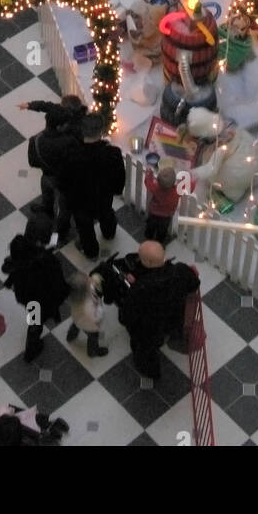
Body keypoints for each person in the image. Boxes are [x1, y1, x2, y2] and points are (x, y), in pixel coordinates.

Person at [118, 241, 199, 381]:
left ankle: (150, 372)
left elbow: (126, 317)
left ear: (147, 263)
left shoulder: (139, 290)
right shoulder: (180, 271)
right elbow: (194, 284)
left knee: (145, 352)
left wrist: (133, 285)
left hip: (149, 330)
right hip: (173, 320)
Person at [1, 214, 70, 362]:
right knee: (36, 322)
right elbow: (56, 281)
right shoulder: (44, 262)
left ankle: (32, 345)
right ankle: (31, 349)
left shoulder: (20, 251)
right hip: (40, 298)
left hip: (27, 296)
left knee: (34, 319)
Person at [58, 113, 126, 259]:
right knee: (106, 213)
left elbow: (63, 181)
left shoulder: (71, 156)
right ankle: (109, 234)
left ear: (82, 131)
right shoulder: (113, 154)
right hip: (104, 197)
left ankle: (91, 252)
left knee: (85, 228)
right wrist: (117, 190)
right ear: (101, 131)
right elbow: (120, 177)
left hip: (80, 202)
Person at [25, 102, 79, 239]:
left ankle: (47, 210)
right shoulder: (70, 142)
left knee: (47, 195)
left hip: (47, 176)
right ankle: (62, 230)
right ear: (60, 126)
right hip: (65, 180)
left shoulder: (35, 140)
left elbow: (32, 162)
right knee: (64, 207)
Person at [66, 271, 108, 358]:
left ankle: (70, 336)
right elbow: (96, 316)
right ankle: (92, 351)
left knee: (76, 325)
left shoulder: (75, 296)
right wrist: (99, 308)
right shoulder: (88, 305)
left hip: (77, 317)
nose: (89, 280)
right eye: (87, 280)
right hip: (89, 325)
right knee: (93, 337)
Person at [144, 161, 180, 245]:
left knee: (150, 225)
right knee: (162, 230)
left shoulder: (156, 188)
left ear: (158, 181)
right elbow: (188, 187)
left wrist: (149, 174)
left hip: (153, 212)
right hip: (167, 216)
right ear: (174, 181)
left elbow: (148, 183)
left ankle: (148, 236)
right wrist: (192, 181)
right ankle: (159, 241)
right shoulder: (177, 192)